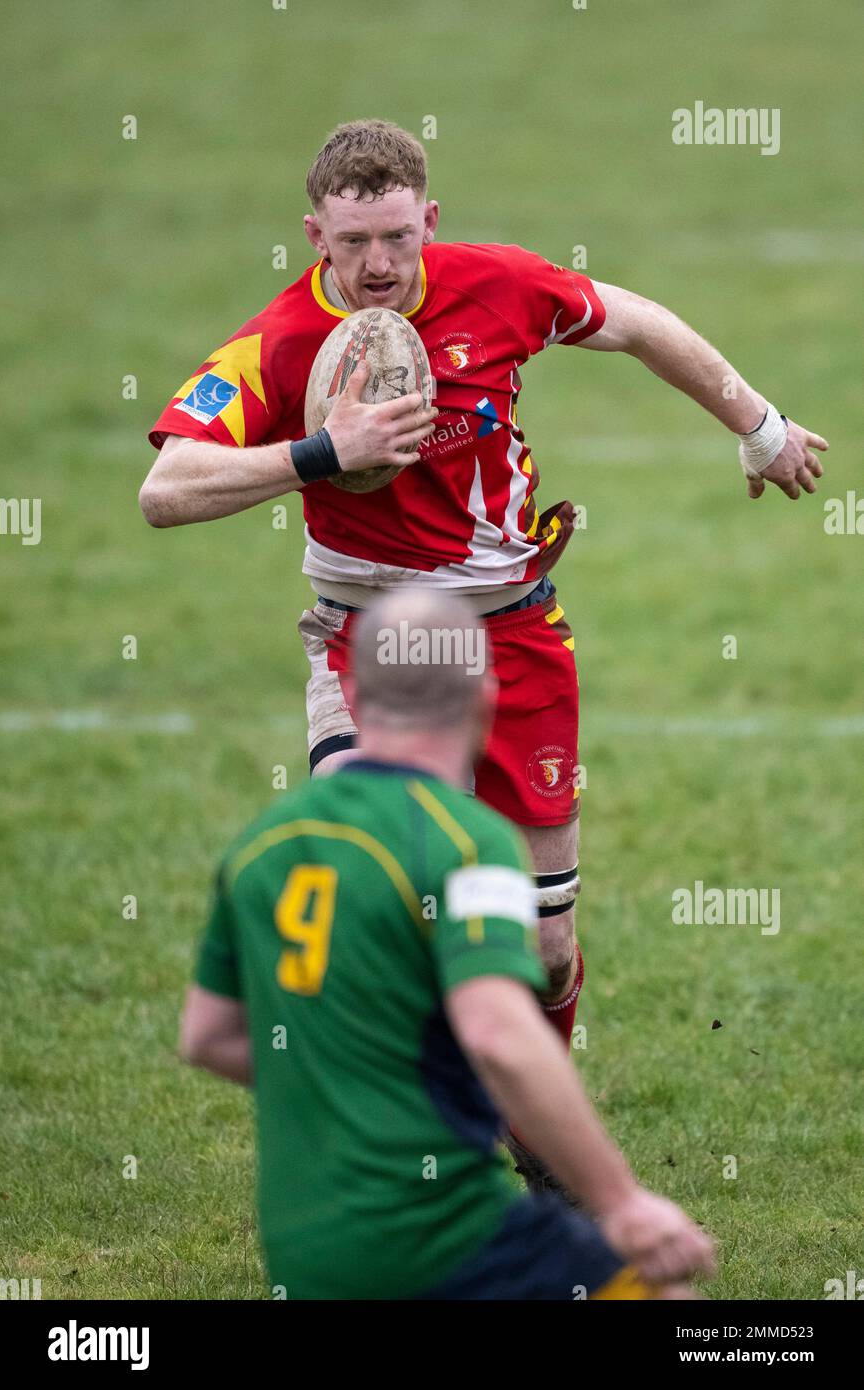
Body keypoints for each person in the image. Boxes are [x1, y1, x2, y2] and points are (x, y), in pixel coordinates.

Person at [147, 119, 827, 1193]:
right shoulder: (277, 345)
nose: (376, 267)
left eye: (395, 239)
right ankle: (380, 1146)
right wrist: (327, 452)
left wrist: (759, 426)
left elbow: (636, 320)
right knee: (373, 891)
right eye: (351, 242)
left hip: (510, 634)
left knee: (546, 948)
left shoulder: (498, 288)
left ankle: (544, 1151)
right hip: (363, 643)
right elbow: (163, 489)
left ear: (429, 220)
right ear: (312, 234)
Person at [180, 591, 714, 1299]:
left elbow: (206, 1037)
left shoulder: (260, 848)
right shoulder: (467, 840)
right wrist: (623, 1203)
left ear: (355, 692)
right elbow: (497, 1032)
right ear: (486, 697)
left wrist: (350, 1075)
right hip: (440, 1237)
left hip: (301, 1252)